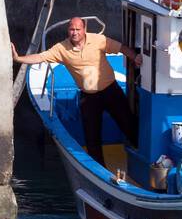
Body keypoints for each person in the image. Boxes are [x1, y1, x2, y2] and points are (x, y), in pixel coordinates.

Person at [13, 17, 143, 169]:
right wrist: (18, 58)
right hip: (89, 97)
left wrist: (135, 57)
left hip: (111, 91)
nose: (74, 33)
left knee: (129, 124)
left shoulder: (98, 40)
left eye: (77, 29)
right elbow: (41, 57)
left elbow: (121, 48)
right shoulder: (61, 49)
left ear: (84, 29)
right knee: (91, 137)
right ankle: (100, 170)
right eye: (71, 30)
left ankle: (143, 156)